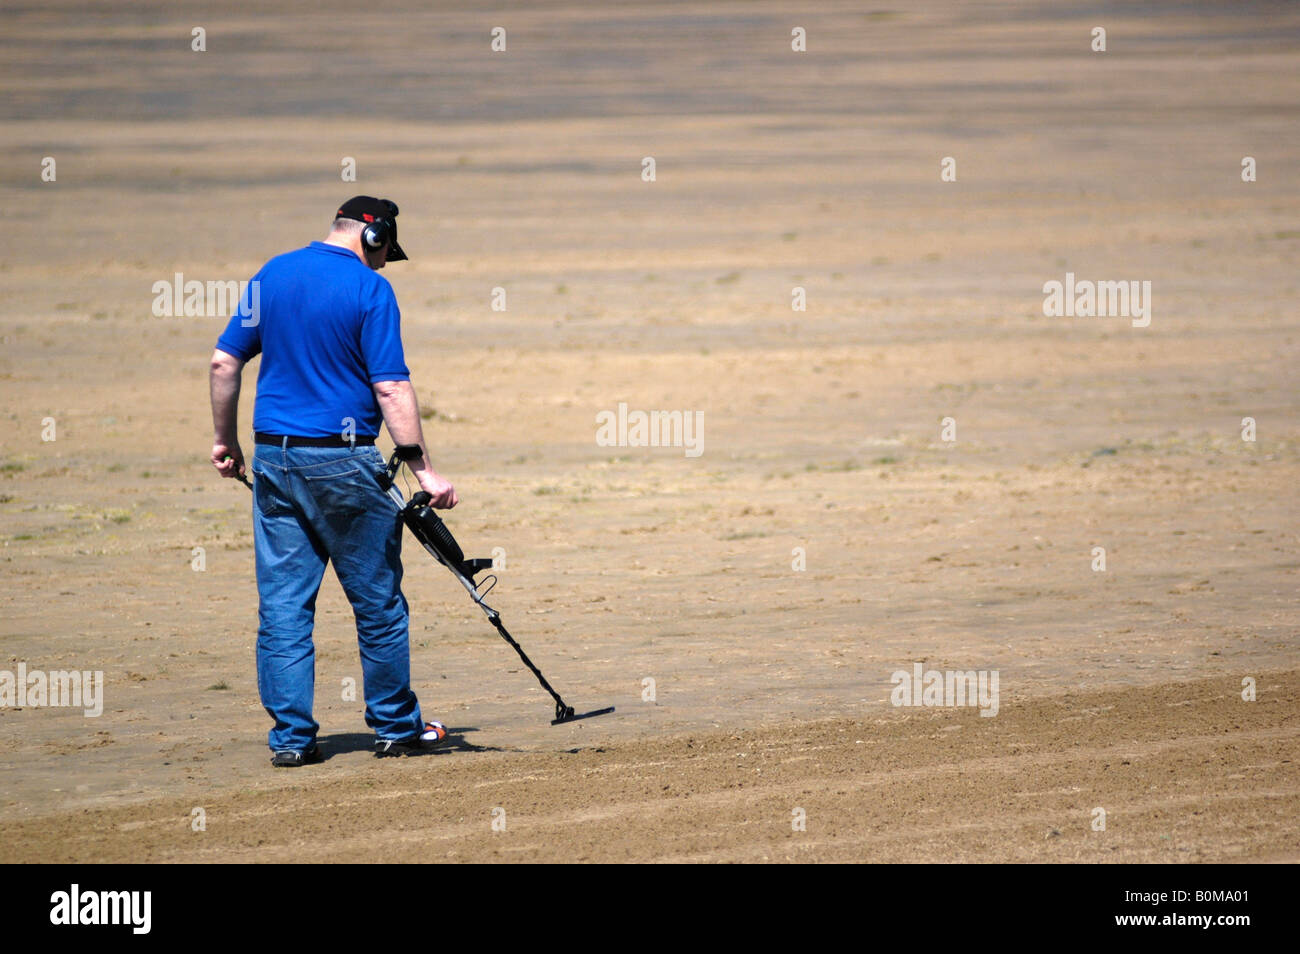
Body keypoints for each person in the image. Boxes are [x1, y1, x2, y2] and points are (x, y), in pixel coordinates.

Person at [208, 196, 459, 767]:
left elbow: (225, 362)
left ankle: (292, 742)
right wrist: (425, 471)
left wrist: (226, 443)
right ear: (375, 237)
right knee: (377, 603)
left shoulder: (273, 273)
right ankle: (396, 729)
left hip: (274, 460)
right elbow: (391, 387)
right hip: (344, 463)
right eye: (385, 253)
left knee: (284, 609)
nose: (383, 265)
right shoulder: (371, 290)